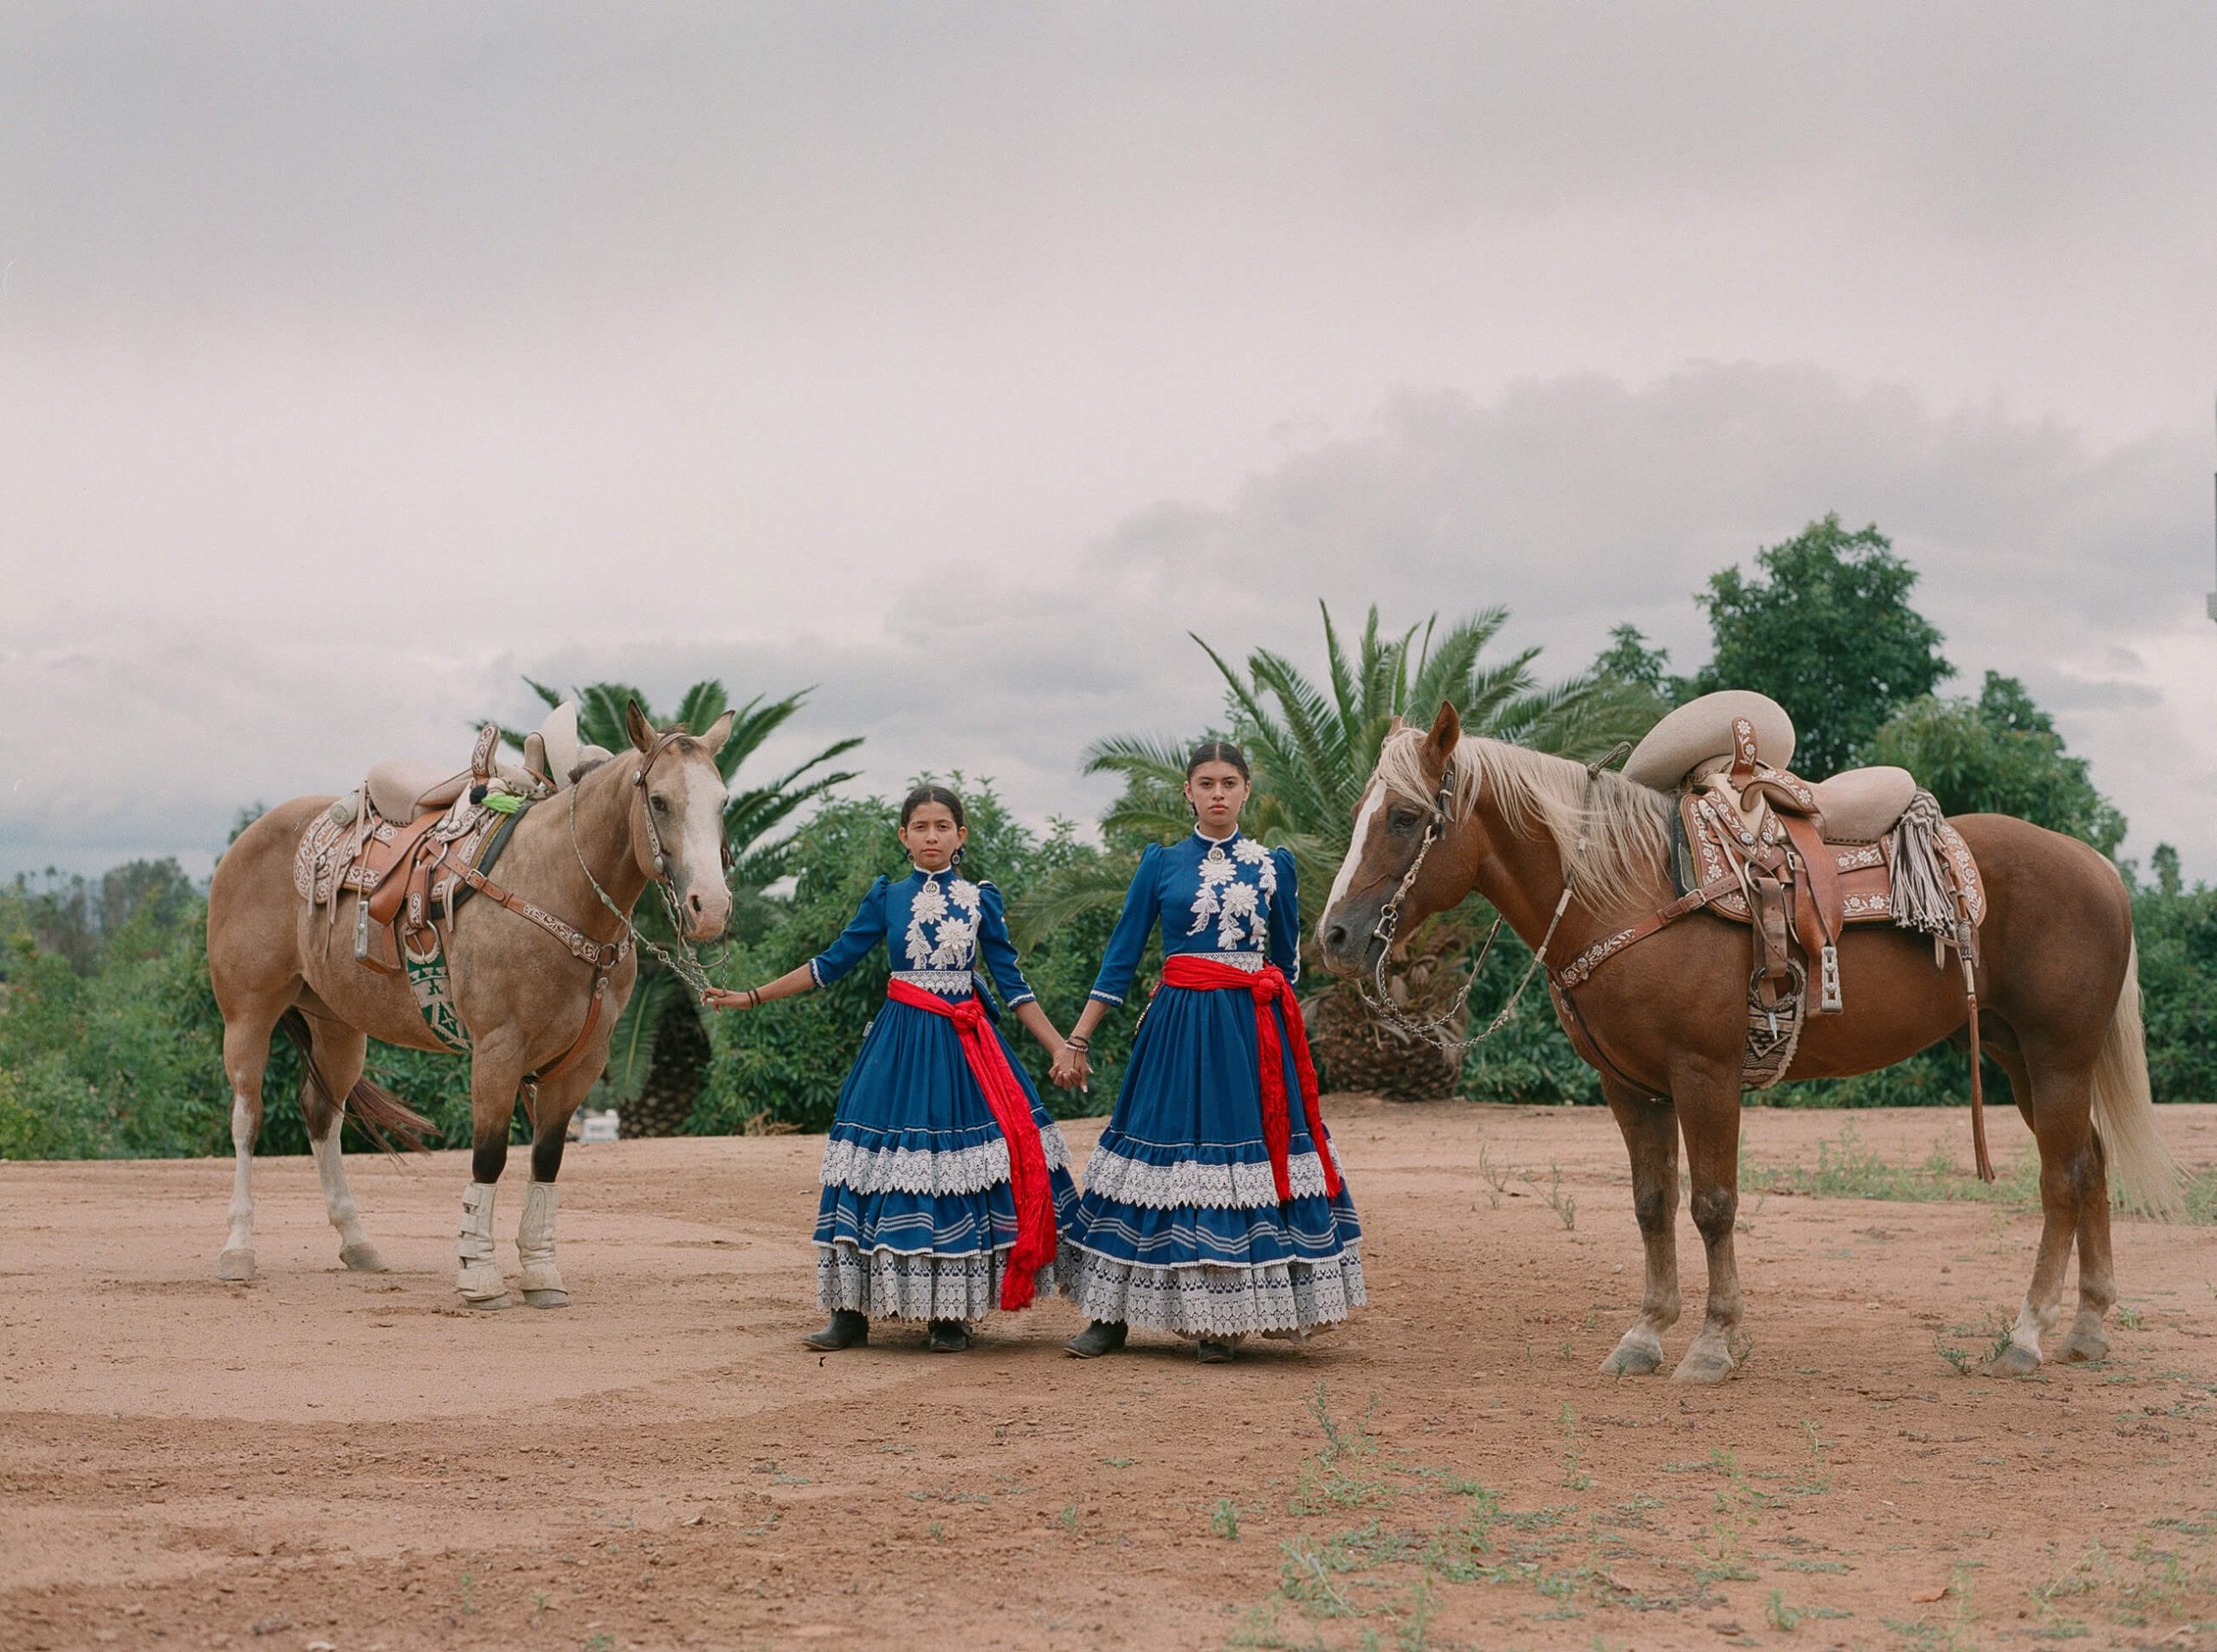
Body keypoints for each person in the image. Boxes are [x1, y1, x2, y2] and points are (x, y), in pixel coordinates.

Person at [704, 784, 1078, 1352]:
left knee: (960, 1171)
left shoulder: (981, 901)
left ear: (961, 835)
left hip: (965, 1052)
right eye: (921, 826)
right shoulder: (887, 897)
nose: (932, 835)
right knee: (872, 1169)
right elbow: (831, 964)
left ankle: (948, 1314)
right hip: (897, 1047)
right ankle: (849, 1313)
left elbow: (1014, 986)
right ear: (903, 836)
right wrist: (753, 996)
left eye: (943, 826)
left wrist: (1058, 1046)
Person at [1050, 741, 1362, 1363]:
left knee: (1234, 1162)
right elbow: (1121, 958)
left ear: (1247, 790)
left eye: (1229, 782)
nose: (1217, 793)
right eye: (1205, 783)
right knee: (1150, 1156)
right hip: (1176, 1027)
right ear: (1186, 793)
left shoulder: (1273, 865)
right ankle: (1108, 1316)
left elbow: (1287, 963)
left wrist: (1258, 1006)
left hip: (1249, 1035)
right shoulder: (1160, 863)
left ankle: (1221, 1322)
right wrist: (1078, 1037)